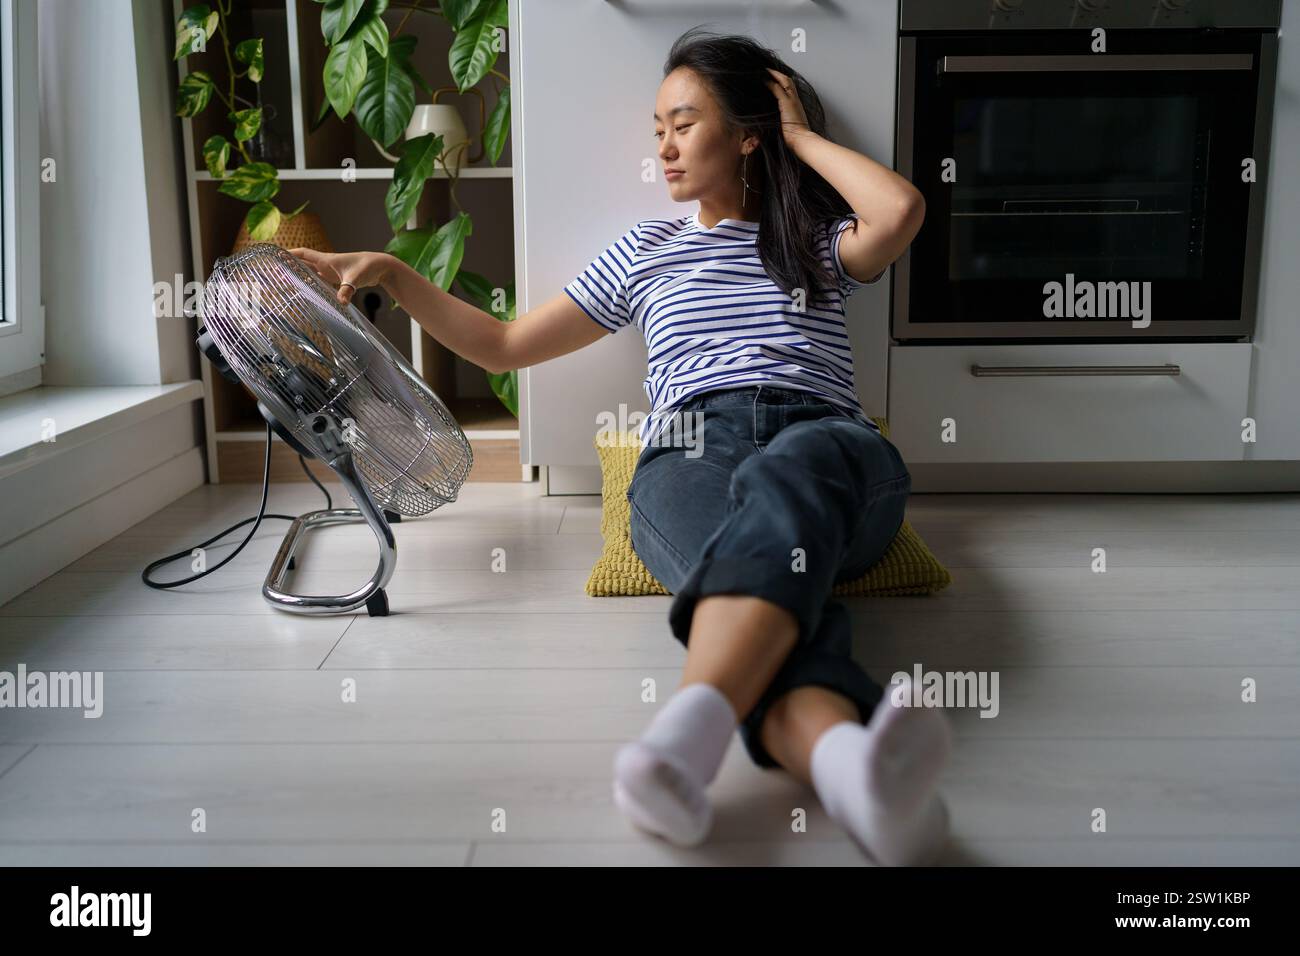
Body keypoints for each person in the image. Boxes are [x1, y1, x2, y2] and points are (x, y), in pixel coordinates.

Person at [290, 27, 953, 866]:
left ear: (748, 132)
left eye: (684, 123)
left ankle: (684, 737)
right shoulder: (645, 253)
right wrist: (392, 270)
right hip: (689, 447)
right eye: (657, 129)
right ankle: (850, 772)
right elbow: (503, 345)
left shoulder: (816, 238)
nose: (664, 146)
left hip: (826, 442)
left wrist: (797, 134)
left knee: (789, 477)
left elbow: (901, 210)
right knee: (769, 579)